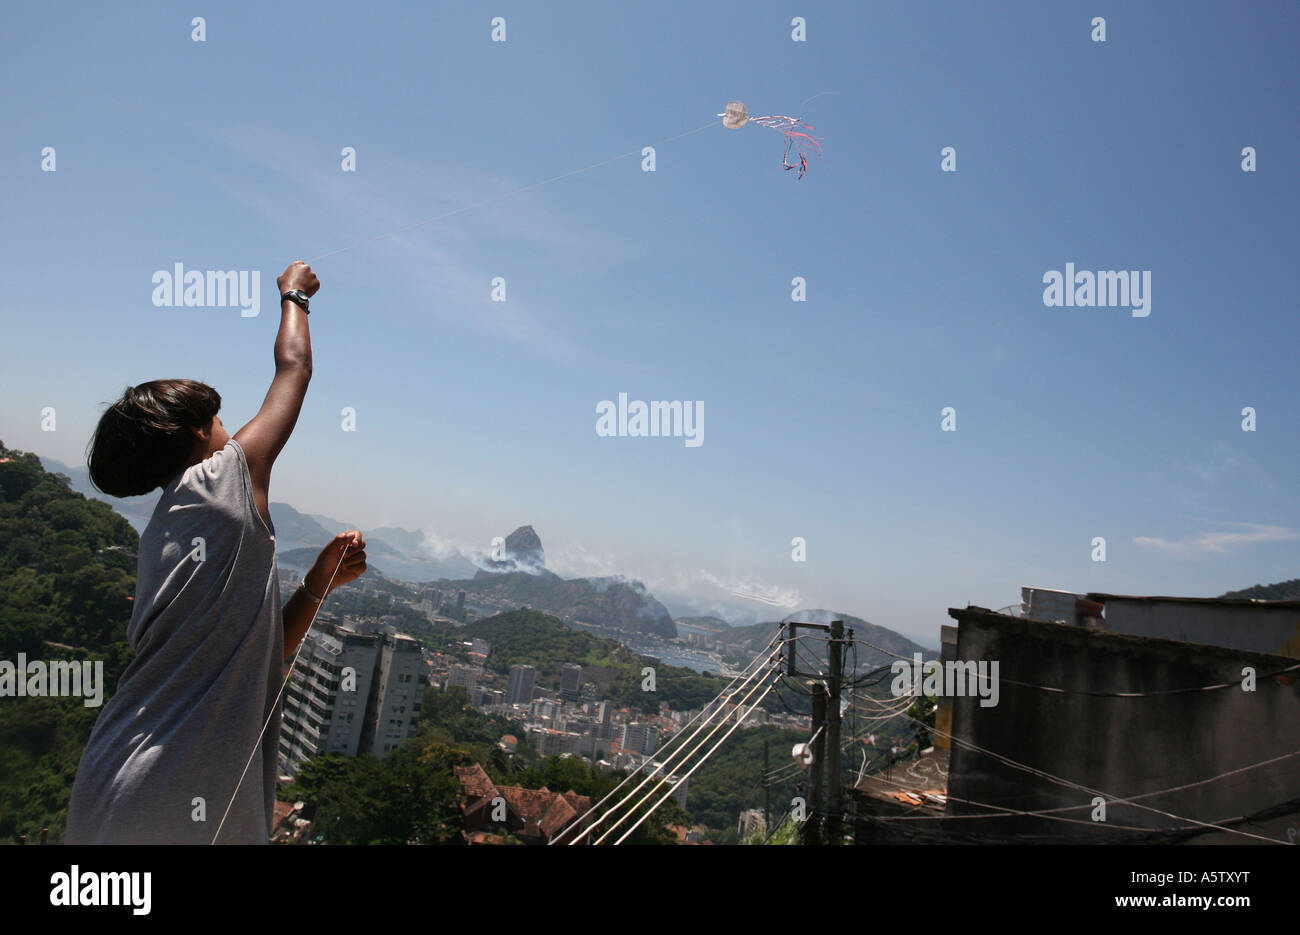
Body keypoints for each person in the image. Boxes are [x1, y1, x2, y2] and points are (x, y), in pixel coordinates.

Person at [66, 261, 367, 844]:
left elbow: (256, 660)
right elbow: (295, 369)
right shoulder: (217, 485)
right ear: (201, 435)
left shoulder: (168, 531)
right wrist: (296, 296)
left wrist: (314, 588)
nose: (234, 432)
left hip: (120, 782)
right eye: (221, 421)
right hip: (168, 792)